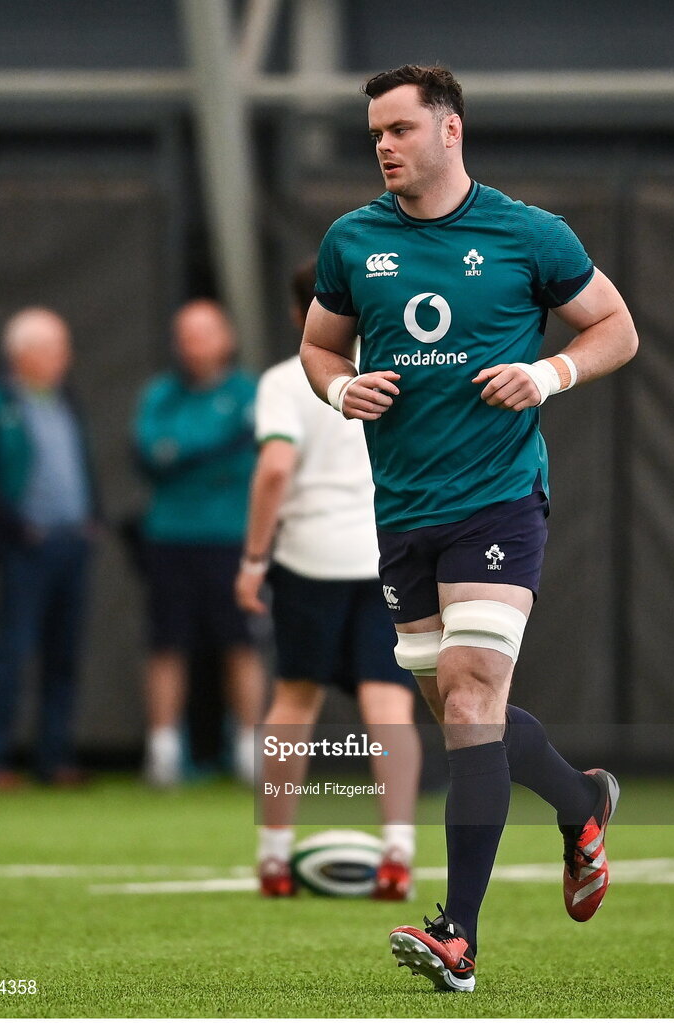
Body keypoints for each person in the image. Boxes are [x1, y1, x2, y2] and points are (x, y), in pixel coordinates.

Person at [300, 64, 638, 991]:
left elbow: (615, 328)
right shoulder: (352, 239)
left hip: (499, 498)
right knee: (459, 710)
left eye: (401, 128)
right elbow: (319, 345)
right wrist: (339, 387)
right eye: (376, 132)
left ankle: (458, 935)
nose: (384, 145)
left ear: (451, 131)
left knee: (473, 693)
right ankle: (581, 802)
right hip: (403, 509)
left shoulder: (531, 234)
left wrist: (549, 374)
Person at [236, 259, 422, 900]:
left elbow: (274, 469)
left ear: (301, 314)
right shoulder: (398, 369)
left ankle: (273, 859)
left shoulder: (285, 380)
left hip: (307, 560)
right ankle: (398, 856)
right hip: (386, 556)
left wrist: (253, 561)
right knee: (388, 704)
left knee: (293, 702)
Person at [0, 307, 100, 789]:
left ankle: (54, 757)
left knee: (64, 657)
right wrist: (20, 529)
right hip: (26, 548)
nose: (64, 358)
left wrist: (92, 520)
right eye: (54, 349)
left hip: (72, 543)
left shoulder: (65, 399)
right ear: (22, 353)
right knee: (12, 653)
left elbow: (78, 464)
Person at [133, 299, 265, 786]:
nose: (193, 345)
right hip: (170, 539)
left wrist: (190, 454)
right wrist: (218, 446)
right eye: (185, 336)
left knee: (240, 644)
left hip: (232, 541)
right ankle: (164, 751)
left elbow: (254, 459)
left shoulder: (250, 393)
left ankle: (249, 749)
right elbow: (153, 453)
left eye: (203, 334)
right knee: (166, 644)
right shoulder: (160, 395)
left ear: (227, 338)